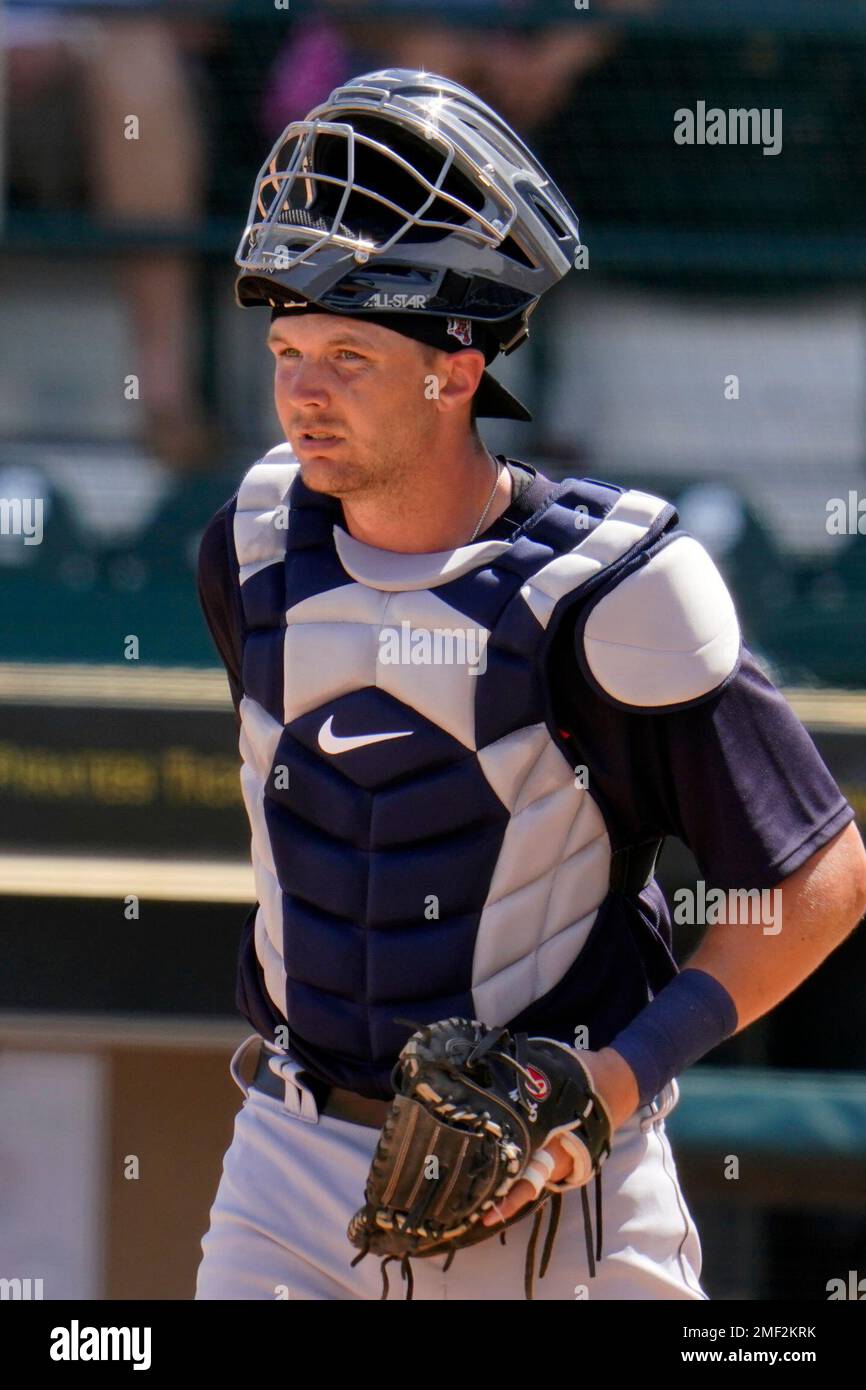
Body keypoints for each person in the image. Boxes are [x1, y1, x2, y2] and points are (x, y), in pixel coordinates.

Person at [194, 69, 866, 1300]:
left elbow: (818, 876)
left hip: (558, 1189)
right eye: (288, 349)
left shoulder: (617, 588)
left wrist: (614, 1081)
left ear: (456, 371)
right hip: (291, 1159)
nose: (301, 390)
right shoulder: (247, 546)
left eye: (348, 353)